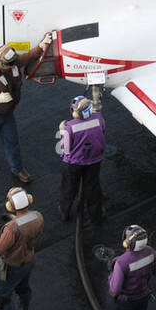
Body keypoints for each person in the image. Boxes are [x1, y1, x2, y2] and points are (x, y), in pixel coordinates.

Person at [0, 32, 53, 183]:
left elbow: (28, 56)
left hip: (7, 114)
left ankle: (17, 168)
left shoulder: (13, 63)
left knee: (12, 142)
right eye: (10, 65)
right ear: (3, 64)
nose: (14, 66)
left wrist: (41, 47)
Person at [0, 186, 44, 310]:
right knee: (24, 288)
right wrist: (15, 219)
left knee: (3, 296)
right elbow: (31, 229)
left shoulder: (11, 228)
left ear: (10, 206)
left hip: (13, 266)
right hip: (29, 260)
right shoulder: (38, 216)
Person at [58, 95, 106, 230]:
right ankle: (96, 217)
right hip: (94, 160)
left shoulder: (70, 127)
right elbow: (103, 132)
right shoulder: (99, 118)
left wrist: (62, 131)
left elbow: (66, 150)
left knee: (68, 188)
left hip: (74, 163)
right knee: (93, 188)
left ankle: (64, 212)